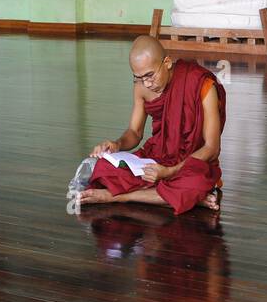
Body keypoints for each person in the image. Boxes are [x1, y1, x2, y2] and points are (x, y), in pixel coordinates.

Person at [79, 35, 225, 214]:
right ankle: (191, 198)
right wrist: (117, 144)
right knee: (104, 168)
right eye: (138, 77)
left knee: (195, 182)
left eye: (150, 75)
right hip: (159, 155)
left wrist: (170, 172)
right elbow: (135, 132)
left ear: (167, 62)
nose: (147, 83)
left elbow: (211, 148)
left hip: (193, 161)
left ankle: (118, 196)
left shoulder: (201, 84)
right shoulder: (142, 87)